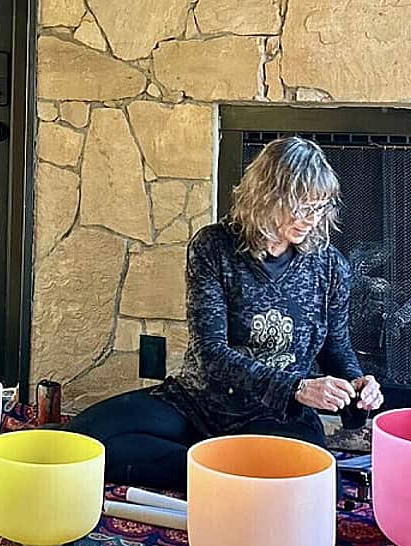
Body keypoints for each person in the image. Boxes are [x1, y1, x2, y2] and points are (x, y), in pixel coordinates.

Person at [65, 136, 384, 490]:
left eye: (320, 207)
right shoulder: (213, 247)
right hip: (198, 403)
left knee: (310, 479)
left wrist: (356, 387)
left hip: (277, 417)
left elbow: (336, 347)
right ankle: (221, 469)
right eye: (301, 206)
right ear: (267, 196)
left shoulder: (330, 267)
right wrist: (295, 386)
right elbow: (211, 353)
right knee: (82, 441)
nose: (311, 219)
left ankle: (212, 468)